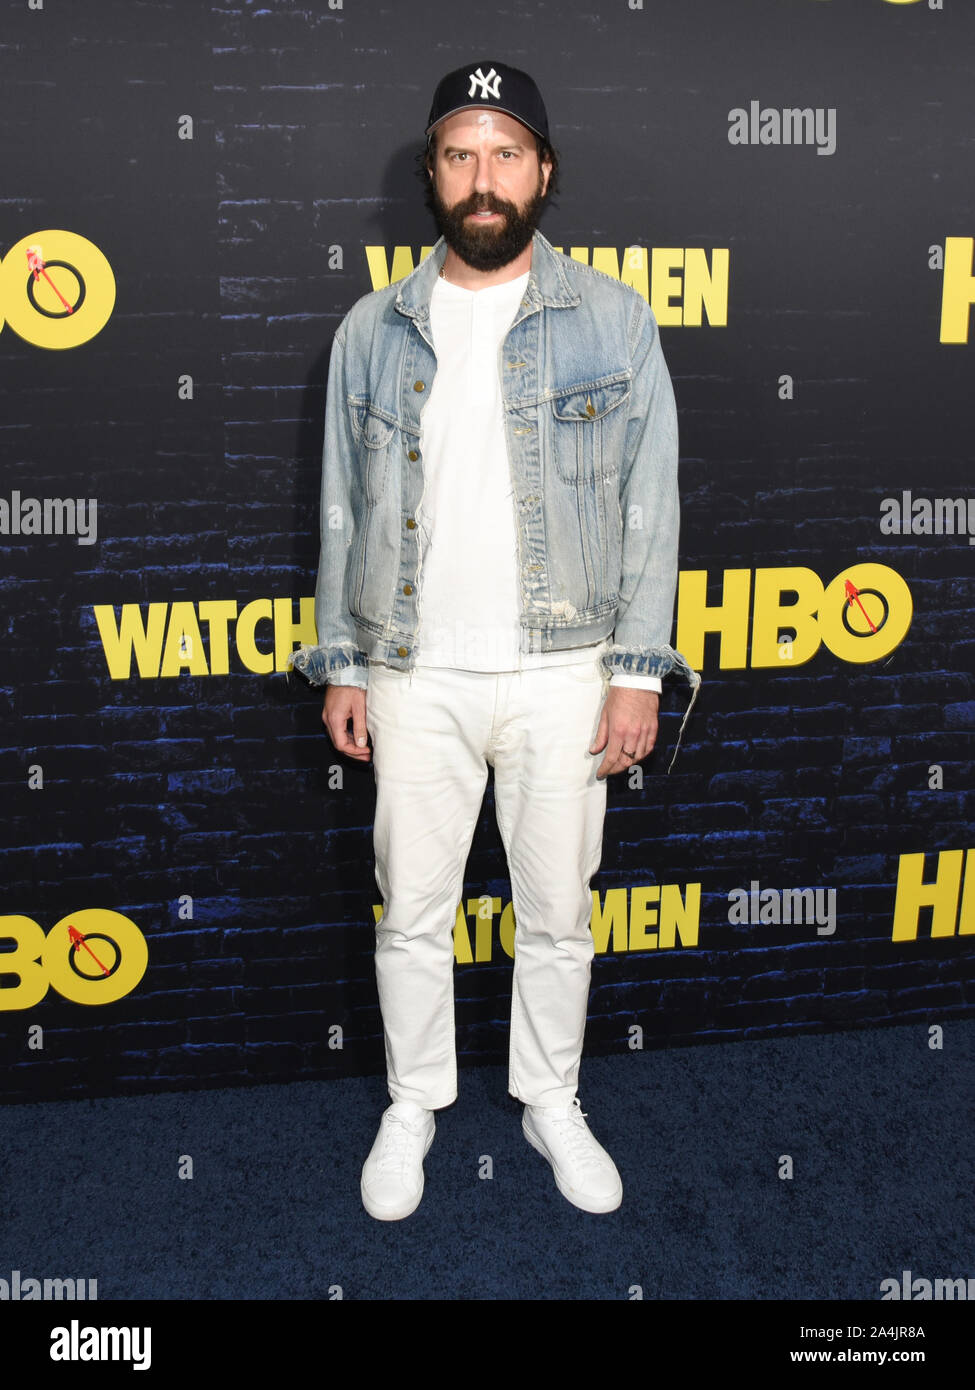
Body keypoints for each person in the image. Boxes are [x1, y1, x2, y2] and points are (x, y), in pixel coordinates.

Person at [291, 60, 699, 1220]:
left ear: (544, 171)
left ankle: (549, 1096)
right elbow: (343, 506)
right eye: (461, 153)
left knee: (560, 910)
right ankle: (413, 1101)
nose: (484, 178)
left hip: (565, 670)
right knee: (410, 906)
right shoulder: (374, 327)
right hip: (413, 670)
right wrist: (346, 659)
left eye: (506, 153)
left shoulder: (613, 319)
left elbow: (650, 508)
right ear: (432, 174)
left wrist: (633, 672)